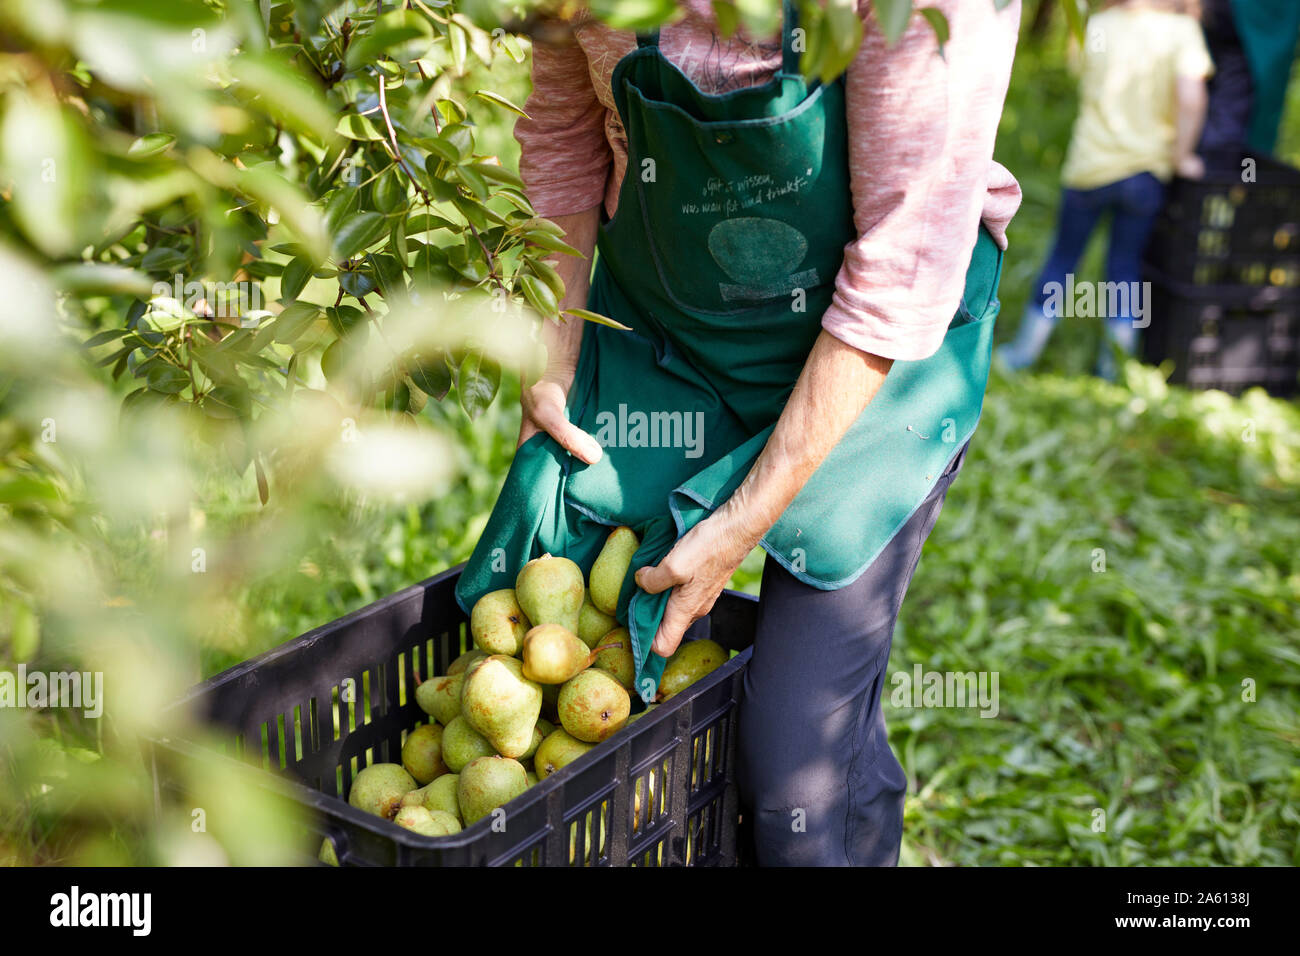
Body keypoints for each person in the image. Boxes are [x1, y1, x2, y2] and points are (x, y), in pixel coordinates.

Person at [455, 0, 1021, 866]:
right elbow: (565, 135)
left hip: (880, 358)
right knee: (570, 589)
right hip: (673, 328)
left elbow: (899, 275)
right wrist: (555, 356)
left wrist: (743, 522)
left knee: (791, 758)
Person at [995, 0, 1212, 380]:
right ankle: (1113, 367)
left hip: (1088, 168)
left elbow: (1082, 75)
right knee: (1124, 269)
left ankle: (1022, 354)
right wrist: (1182, 156)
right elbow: (1191, 97)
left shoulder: (1098, 25)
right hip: (1145, 173)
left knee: (1062, 262)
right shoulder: (1182, 32)